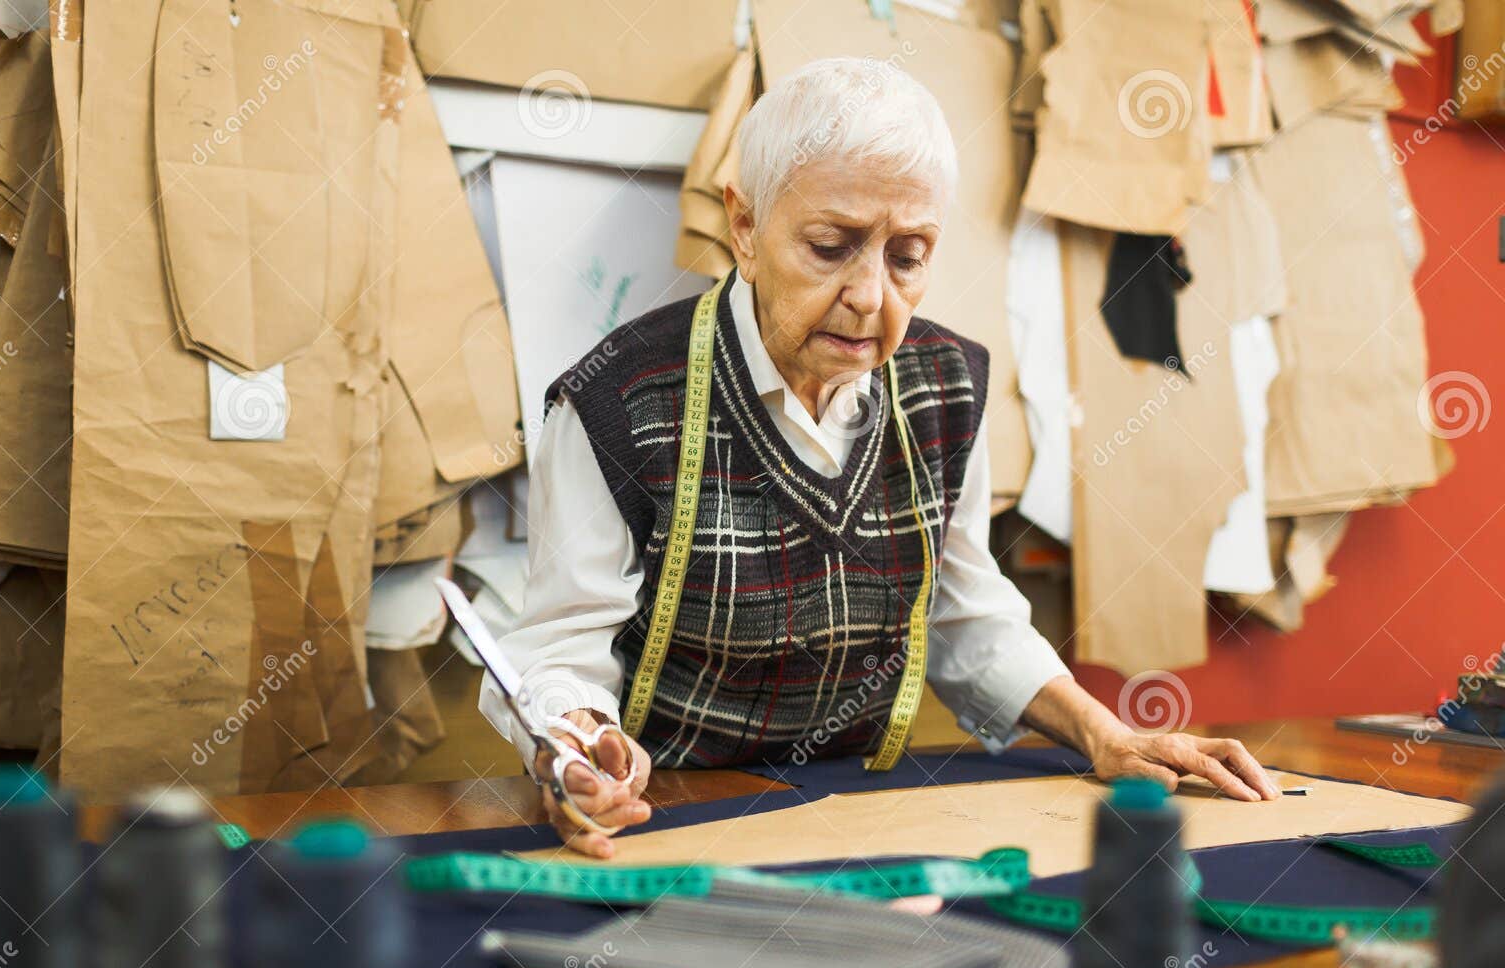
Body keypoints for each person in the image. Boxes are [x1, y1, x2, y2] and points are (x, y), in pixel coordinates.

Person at [481, 57, 1278, 857]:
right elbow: (558, 649)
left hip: (855, 813)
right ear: (745, 228)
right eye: (831, 247)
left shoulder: (947, 385)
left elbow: (966, 610)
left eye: (908, 256)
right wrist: (575, 744)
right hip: (670, 815)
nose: (870, 297)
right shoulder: (617, 401)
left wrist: (1106, 733)